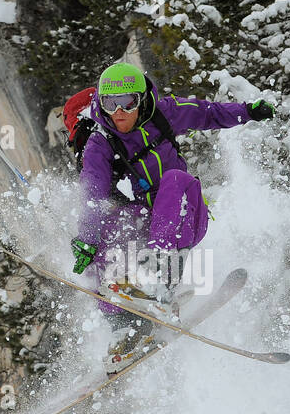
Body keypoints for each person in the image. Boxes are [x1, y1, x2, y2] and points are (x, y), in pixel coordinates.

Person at [68, 61, 275, 370]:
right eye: (110, 103)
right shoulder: (101, 141)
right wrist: (86, 238)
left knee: (175, 180)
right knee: (112, 223)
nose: (118, 112)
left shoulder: (164, 112)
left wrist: (247, 111)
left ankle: (159, 281)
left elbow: (207, 113)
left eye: (127, 102)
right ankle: (123, 325)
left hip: (184, 214)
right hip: (149, 222)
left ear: (141, 99)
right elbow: (92, 191)